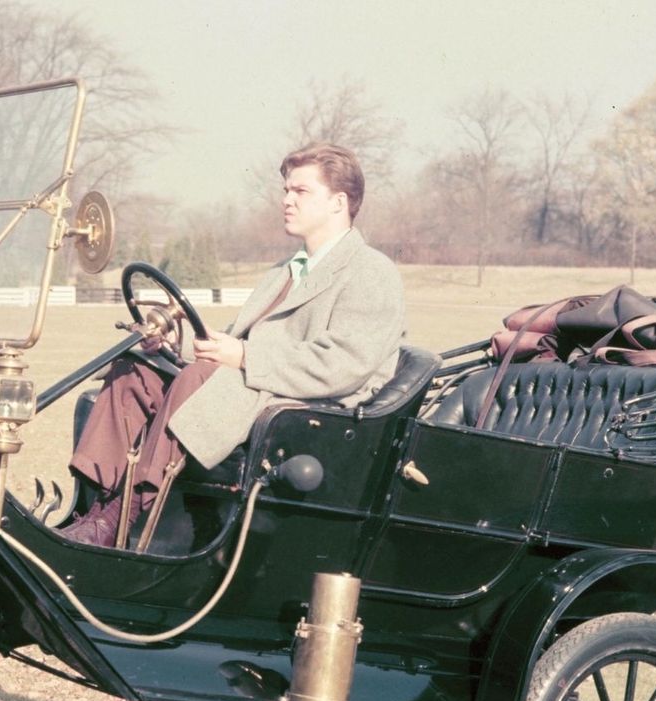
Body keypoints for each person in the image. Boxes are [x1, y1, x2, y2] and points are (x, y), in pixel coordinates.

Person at [63, 142, 406, 547]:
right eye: (286, 190)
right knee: (134, 371)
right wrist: (176, 340)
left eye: (300, 191)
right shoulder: (287, 270)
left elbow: (344, 365)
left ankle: (123, 516)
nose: (286, 201)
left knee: (205, 378)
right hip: (261, 385)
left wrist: (244, 357)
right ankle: (93, 509)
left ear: (338, 202)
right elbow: (236, 339)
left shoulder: (370, 271)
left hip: (313, 411)